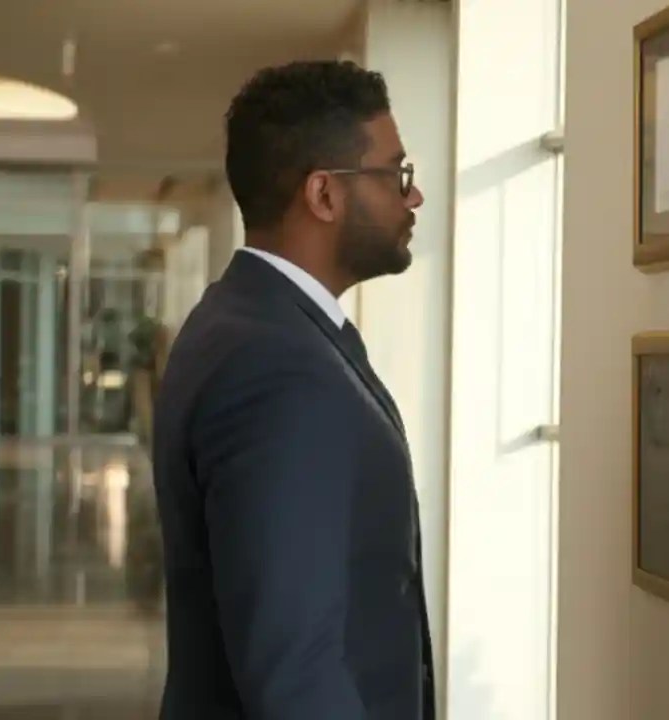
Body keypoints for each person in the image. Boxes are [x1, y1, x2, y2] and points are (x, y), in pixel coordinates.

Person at [151, 60, 433, 719]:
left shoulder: (251, 322)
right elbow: (293, 665)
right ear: (324, 196)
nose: (411, 197)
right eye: (395, 174)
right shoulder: (277, 366)